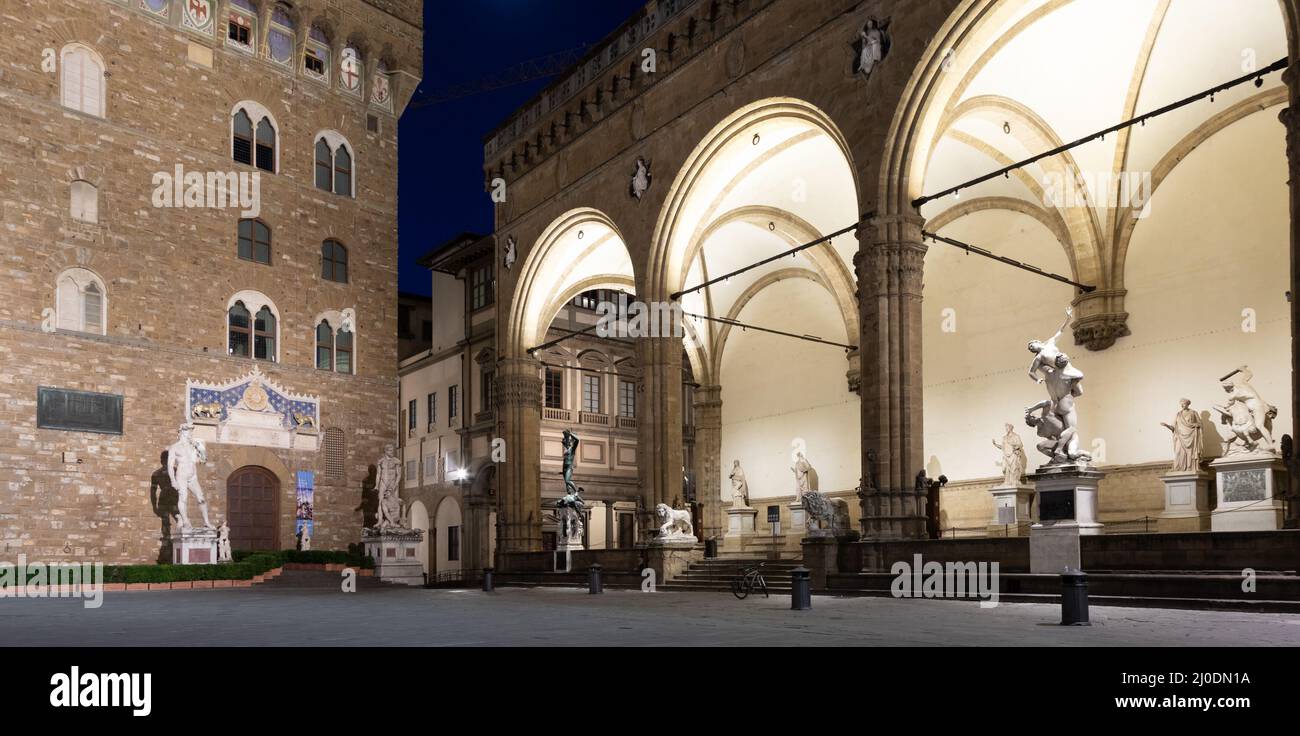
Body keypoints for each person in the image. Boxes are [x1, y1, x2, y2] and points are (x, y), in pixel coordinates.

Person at [168, 423, 212, 530]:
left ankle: (206, 522)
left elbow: (202, 460)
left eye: (191, 431)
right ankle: (186, 521)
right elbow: (170, 465)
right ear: (182, 432)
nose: (191, 433)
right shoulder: (174, 447)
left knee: (201, 498)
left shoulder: (193, 445)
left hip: (193, 476)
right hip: (181, 475)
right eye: (189, 431)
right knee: (183, 498)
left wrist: (200, 449)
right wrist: (173, 480)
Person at [1160, 399, 1203, 472]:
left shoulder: (1193, 413)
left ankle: (1191, 468)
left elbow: (1200, 424)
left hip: (1191, 436)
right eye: (1181, 404)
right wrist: (1166, 425)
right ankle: (1178, 468)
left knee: (1190, 453)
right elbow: (1173, 427)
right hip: (1180, 436)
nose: (1182, 405)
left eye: (1184, 404)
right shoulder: (1178, 414)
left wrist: (1196, 425)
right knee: (1178, 452)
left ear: (1188, 404)